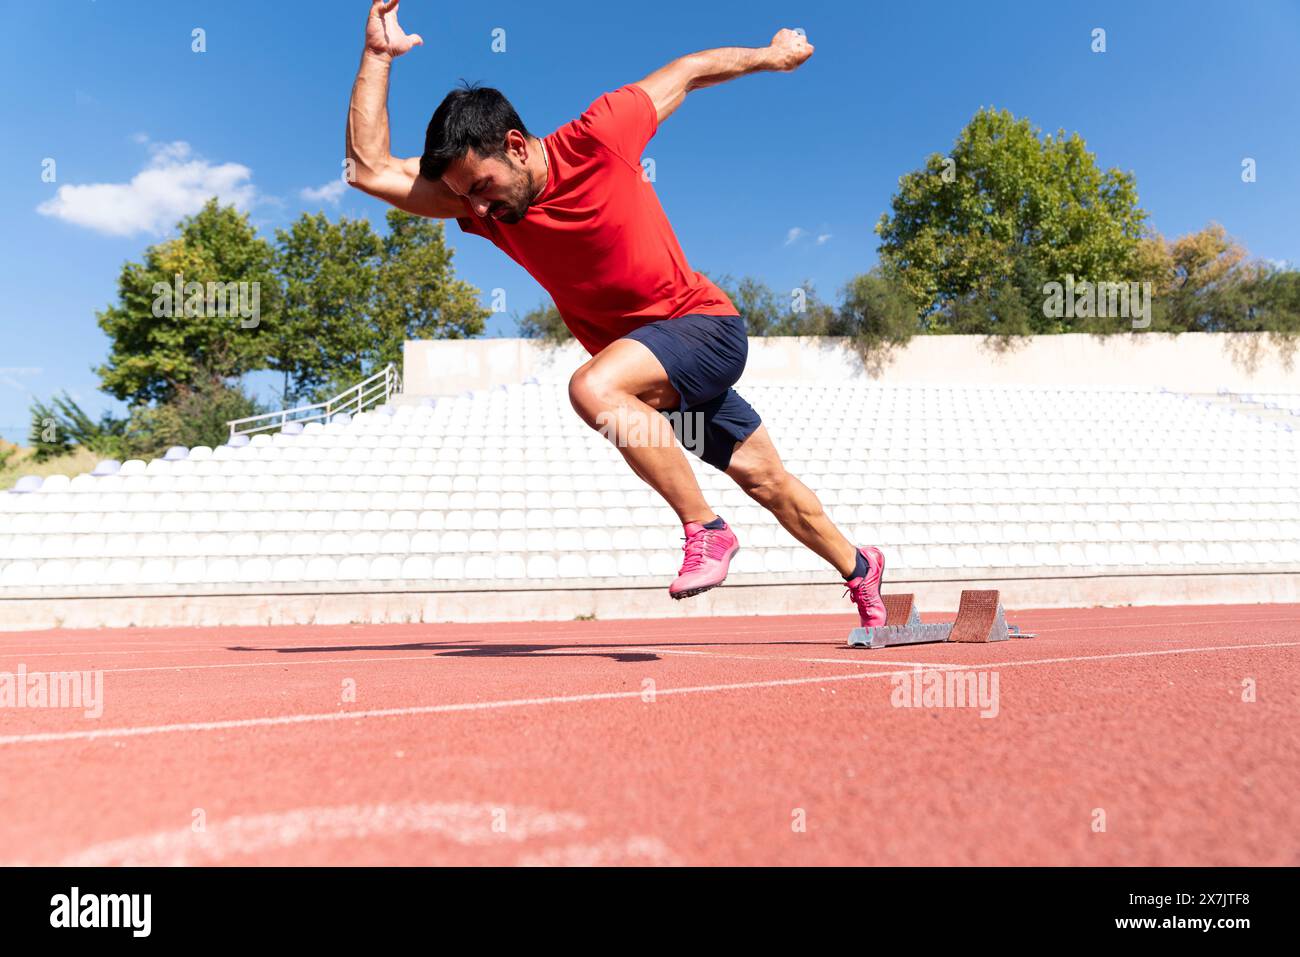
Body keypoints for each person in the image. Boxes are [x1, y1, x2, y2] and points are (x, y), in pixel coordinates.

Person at [345, 0, 885, 627]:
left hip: (703, 329)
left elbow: (689, 70)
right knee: (767, 479)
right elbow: (368, 168)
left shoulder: (602, 132)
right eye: (466, 199)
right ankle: (861, 569)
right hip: (655, 383)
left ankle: (706, 530)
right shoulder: (483, 209)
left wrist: (772, 55)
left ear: (516, 146)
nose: (479, 212)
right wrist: (377, 57)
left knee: (592, 386)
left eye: (484, 188)